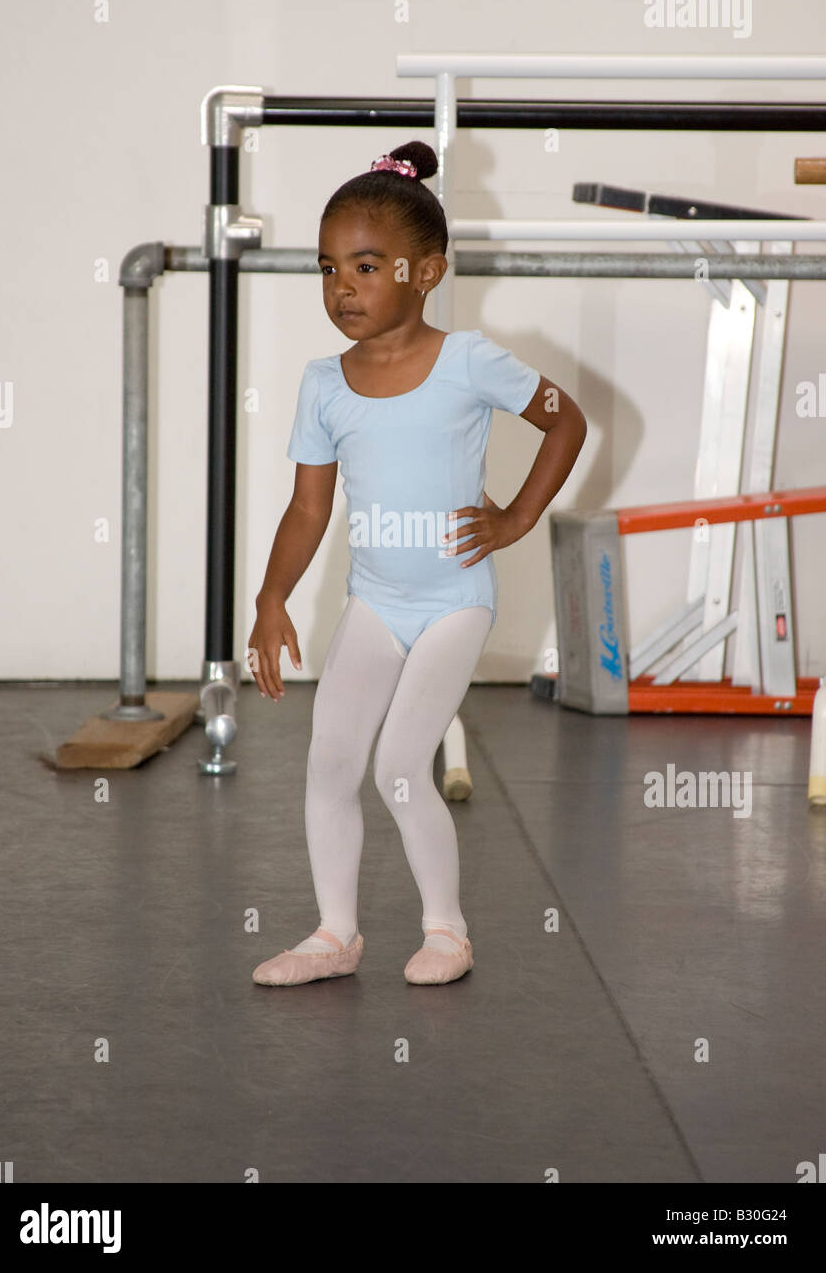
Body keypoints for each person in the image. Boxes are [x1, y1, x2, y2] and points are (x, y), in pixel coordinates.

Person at [248, 140, 587, 986]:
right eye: (327, 268)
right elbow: (307, 508)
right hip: (375, 602)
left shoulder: (468, 361)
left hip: (452, 603)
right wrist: (271, 597)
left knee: (399, 766)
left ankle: (446, 931)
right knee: (329, 762)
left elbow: (566, 422)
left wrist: (513, 517)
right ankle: (335, 935)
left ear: (425, 271)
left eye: (365, 266)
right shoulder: (323, 384)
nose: (342, 288)